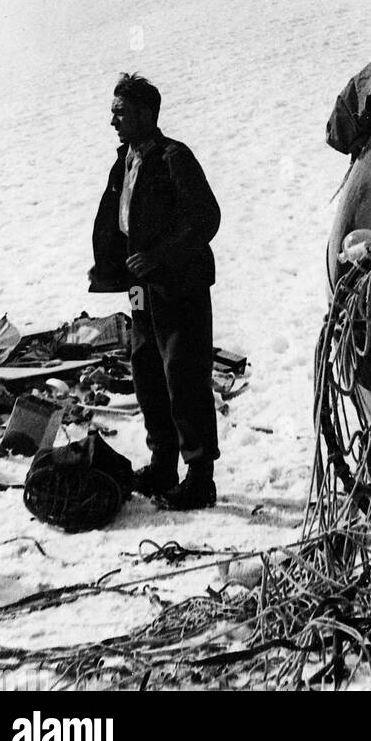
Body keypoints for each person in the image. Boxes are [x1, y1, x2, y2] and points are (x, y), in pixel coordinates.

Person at [89, 73, 222, 510]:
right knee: (147, 372)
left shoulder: (174, 158)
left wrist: (161, 257)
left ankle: (200, 478)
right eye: (113, 113)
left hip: (179, 285)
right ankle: (163, 463)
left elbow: (206, 218)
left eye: (121, 113)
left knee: (184, 376)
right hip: (141, 289)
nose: (113, 122)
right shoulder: (125, 159)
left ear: (146, 114)